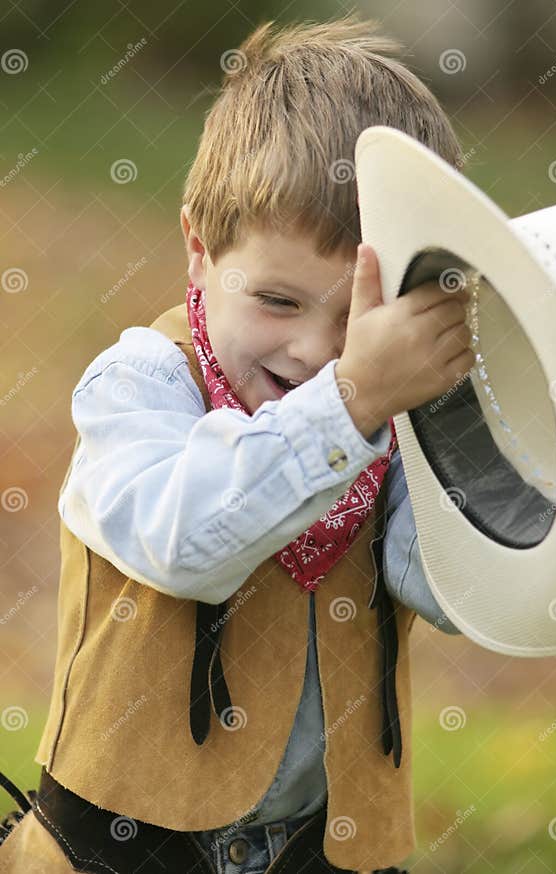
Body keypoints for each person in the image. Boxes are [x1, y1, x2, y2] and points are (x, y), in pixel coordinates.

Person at [0, 13, 472, 874]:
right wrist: (355, 399)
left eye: (361, 321)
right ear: (200, 249)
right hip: (123, 845)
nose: (317, 353)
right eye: (281, 303)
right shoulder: (139, 385)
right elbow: (185, 542)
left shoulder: (391, 414)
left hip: (322, 842)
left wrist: (465, 422)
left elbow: (436, 586)